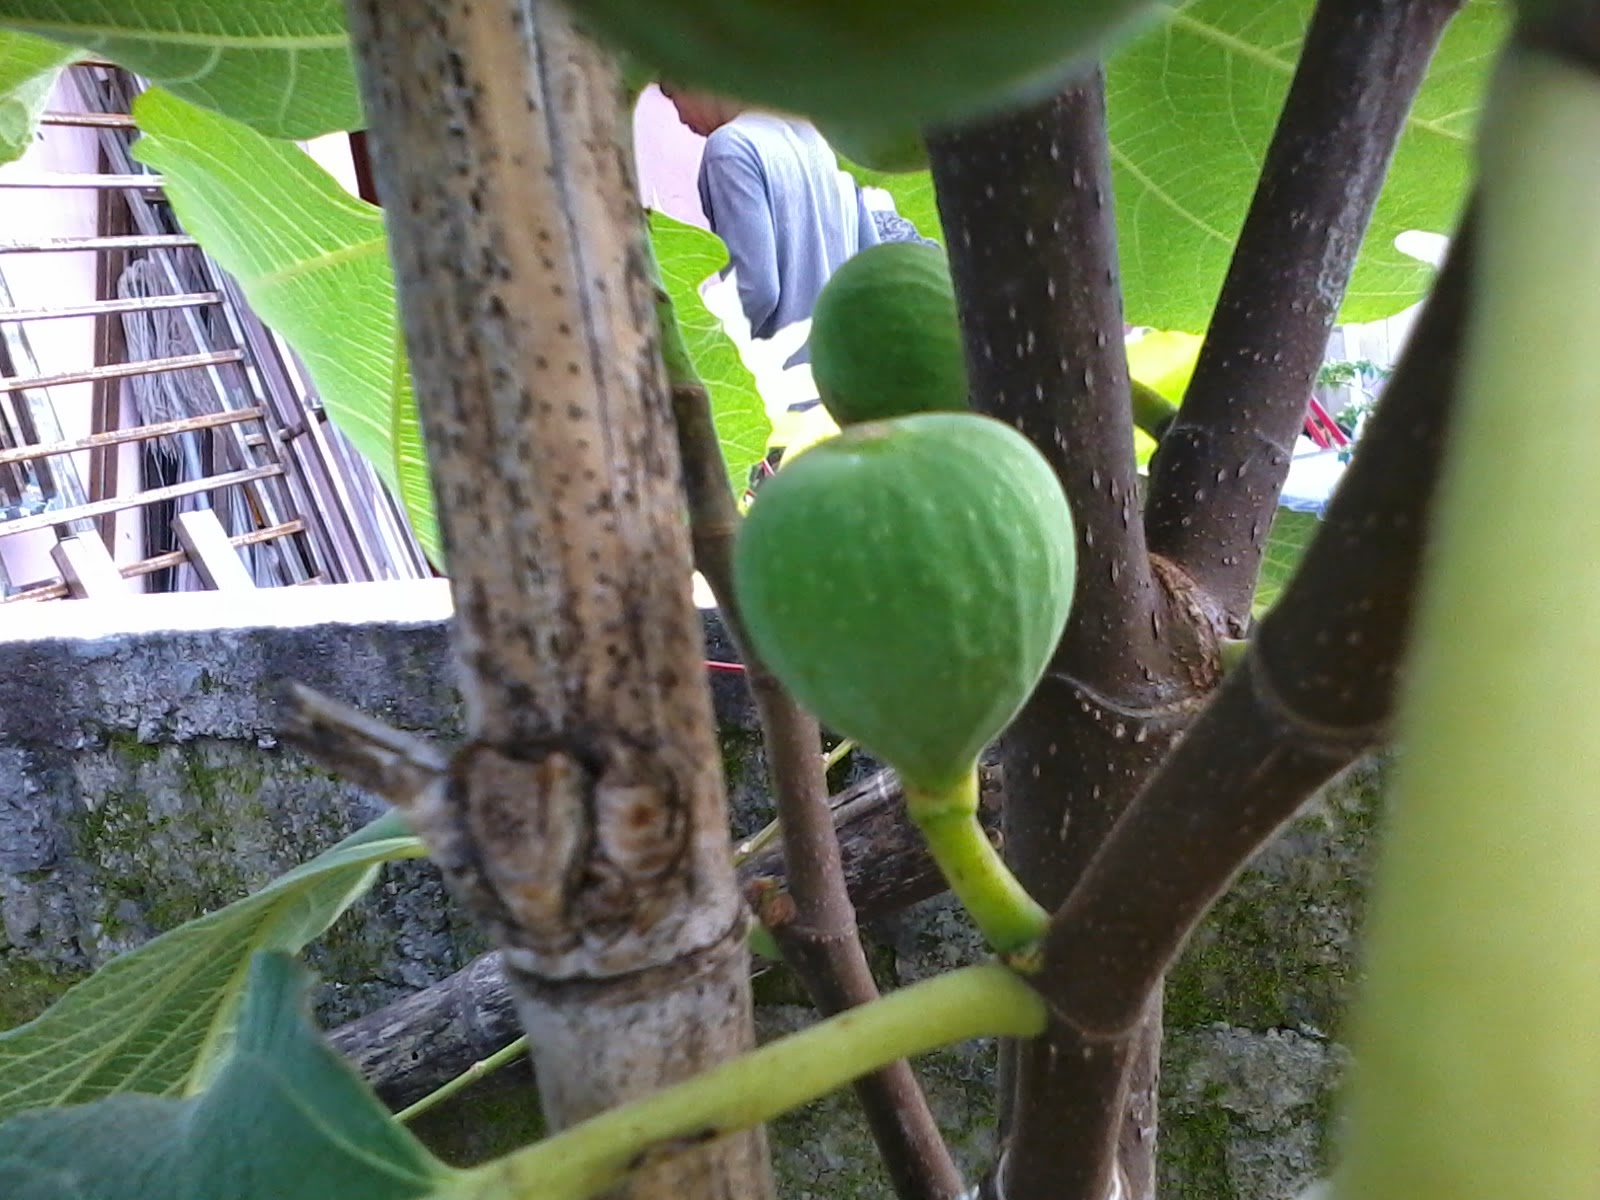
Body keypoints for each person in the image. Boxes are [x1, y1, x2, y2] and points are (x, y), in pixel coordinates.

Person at [658, 84, 881, 364]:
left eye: (672, 94)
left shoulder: (730, 148)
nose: (680, 117)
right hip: (841, 371)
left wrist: (701, 344)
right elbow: (873, 268)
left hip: (778, 379)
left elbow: (755, 290)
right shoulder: (819, 143)